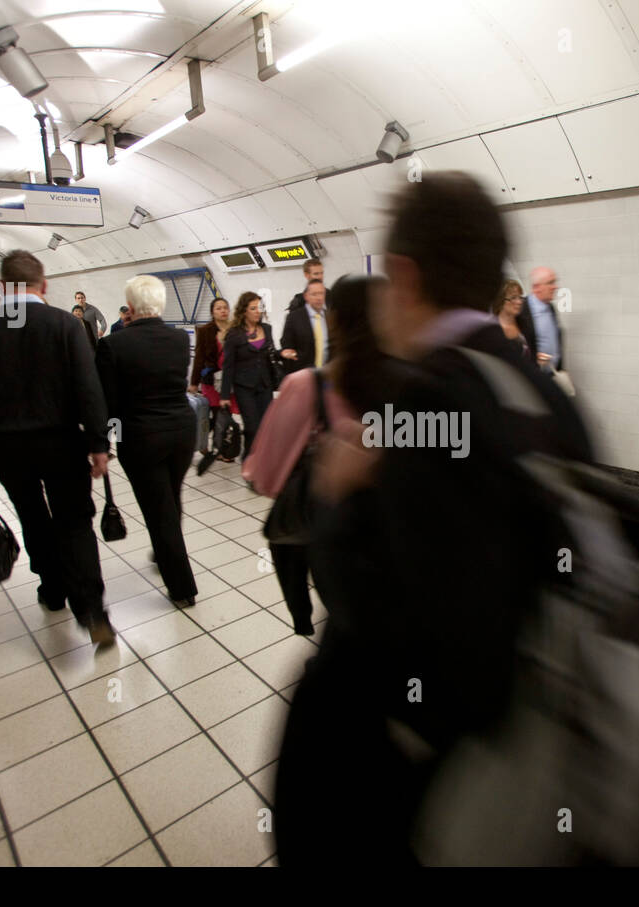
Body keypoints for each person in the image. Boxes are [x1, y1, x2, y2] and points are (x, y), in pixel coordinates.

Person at [274, 173, 593, 865]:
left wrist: (335, 496)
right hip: (546, 725)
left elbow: (380, 611)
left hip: (436, 771)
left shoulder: (423, 401)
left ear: (403, 276)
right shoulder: (549, 393)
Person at [0, 251, 116, 644]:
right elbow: (88, 389)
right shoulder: (63, 323)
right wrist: (98, 443)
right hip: (61, 443)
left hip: (8, 448)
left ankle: (52, 590)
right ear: (43, 285)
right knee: (75, 522)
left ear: (2, 287)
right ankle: (92, 611)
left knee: (33, 517)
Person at [245, 275, 386, 637]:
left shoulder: (305, 387)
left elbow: (265, 474)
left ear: (332, 319)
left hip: (324, 533)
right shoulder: (417, 390)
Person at [96, 275, 198, 606]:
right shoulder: (180, 339)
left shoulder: (113, 344)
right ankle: (166, 549)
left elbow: (108, 402)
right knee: (171, 495)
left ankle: (183, 587)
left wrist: (107, 440)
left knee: (158, 511)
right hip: (182, 430)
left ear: (130, 305)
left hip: (141, 436)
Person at [220, 292, 278, 461]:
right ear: (244, 311)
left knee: (266, 426)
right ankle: (249, 460)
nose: (257, 311)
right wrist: (224, 395)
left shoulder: (267, 329)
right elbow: (228, 366)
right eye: (253, 308)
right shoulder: (234, 334)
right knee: (252, 426)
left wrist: (283, 354)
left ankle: (262, 462)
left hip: (264, 385)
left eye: (259, 308)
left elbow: (271, 354)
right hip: (244, 387)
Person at [190, 297, 233, 467]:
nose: (223, 311)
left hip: (229, 380)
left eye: (225, 307)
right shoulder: (205, 330)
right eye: (218, 308)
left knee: (224, 414)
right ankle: (218, 448)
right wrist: (194, 382)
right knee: (218, 414)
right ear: (212, 312)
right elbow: (199, 357)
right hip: (211, 380)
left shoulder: (234, 329)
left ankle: (216, 445)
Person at [279, 279, 330, 376]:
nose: (319, 298)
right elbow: (287, 346)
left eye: (321, 293)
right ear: (306, 296)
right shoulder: (294, 318)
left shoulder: (330, 317)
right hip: (304, 375)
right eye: (314, 294)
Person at [491, 279, 530, 363]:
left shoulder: (524, 324)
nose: (519, 302)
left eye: (520, 297)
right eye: (513, 298)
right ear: (501, 300)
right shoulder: (491, 329)